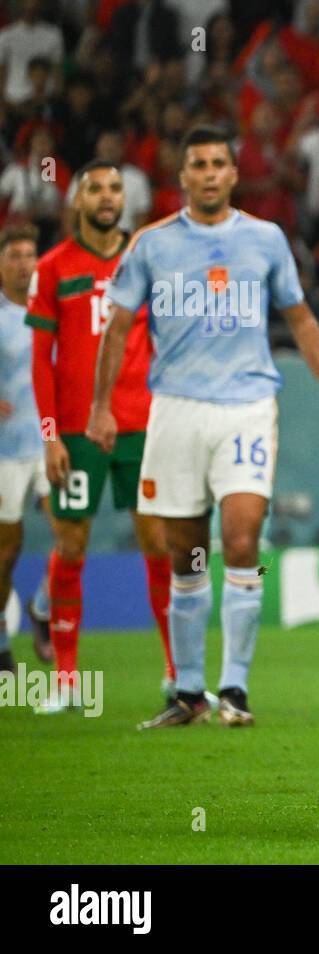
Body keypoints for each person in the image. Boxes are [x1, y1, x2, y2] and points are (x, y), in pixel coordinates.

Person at [89, 125, 319, 729]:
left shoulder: (264, 240)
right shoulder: (152, 245)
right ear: (181, 177)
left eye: (218, 164)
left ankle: (234, 687)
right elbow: (118, 326)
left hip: (247, 406)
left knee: (239, 538)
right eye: (198, 165)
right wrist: (101, 406)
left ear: (234, 174)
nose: (209, 173)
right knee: (186, 553)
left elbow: (302, 319)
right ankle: (187, 692)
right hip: (175, 409)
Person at [25, 160, 177, 714]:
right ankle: (66, 679)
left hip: (144, 424)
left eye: (116, 187)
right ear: (78, 200)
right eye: (96, 188)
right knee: (71, 545)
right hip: (76, 430)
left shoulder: (149, 261)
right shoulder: (53, 268)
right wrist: (49, 435)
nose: (108, 197)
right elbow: (42, 361)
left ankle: (175, 675)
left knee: (158, 545)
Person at [0, 224, 45, 677]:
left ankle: (44, 606)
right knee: (6, 551)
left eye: (30, 255)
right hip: (6, 449)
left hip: (52, 445)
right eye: (14, 255)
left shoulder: (49, 310)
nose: (23, 263)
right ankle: (0, 644)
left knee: (73, 531)